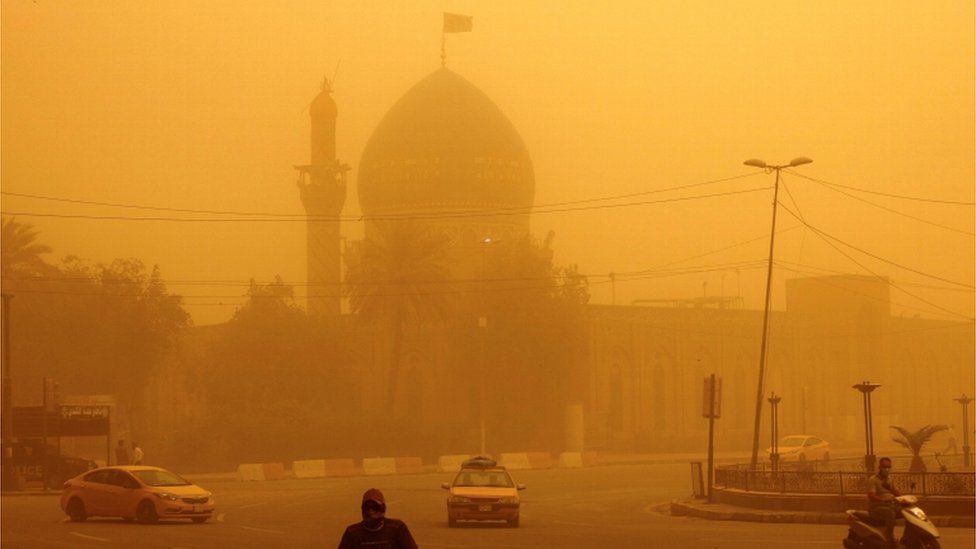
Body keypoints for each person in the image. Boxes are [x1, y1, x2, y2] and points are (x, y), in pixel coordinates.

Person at [338, 488, 417, 549]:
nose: (370, 511)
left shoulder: (397, 528)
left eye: (374, 507)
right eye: (367, 507)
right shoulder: (352, 533)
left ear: (383, 508)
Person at [867, 457, 902, 546]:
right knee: (890, 513)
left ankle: (908, 537)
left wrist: (904, 499)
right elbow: (871, 496)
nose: (887, 469)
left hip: (890, 505)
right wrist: (883, 500)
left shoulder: (890, 479)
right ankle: (889, 536)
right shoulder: (873, 479)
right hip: (876, 507)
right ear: (880, 467)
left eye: (889, 467)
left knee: (906, 511)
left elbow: (895, 491)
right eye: (884, 467)